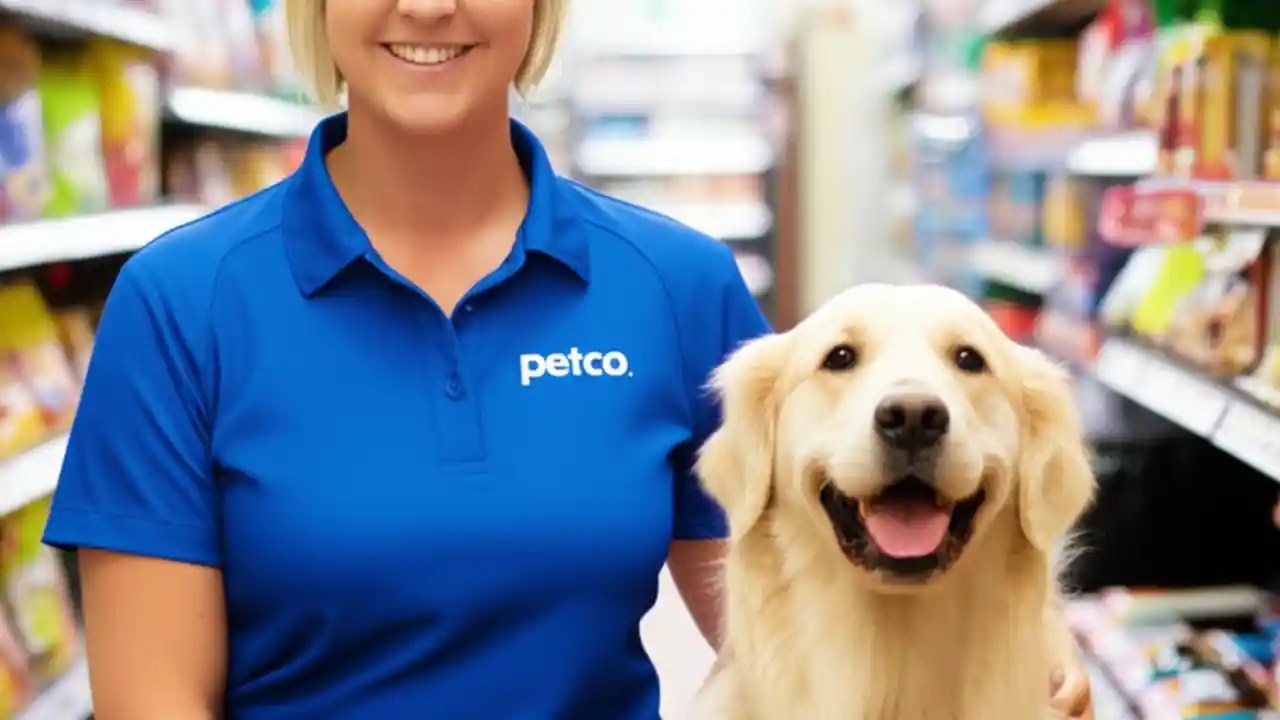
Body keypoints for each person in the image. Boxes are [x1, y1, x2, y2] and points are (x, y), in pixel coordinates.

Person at [41, 0, 1094, 717]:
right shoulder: (182, 304)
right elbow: (154, 701)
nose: (429, 3)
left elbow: (799, 628)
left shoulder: (675, 289)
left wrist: (1009, 652)